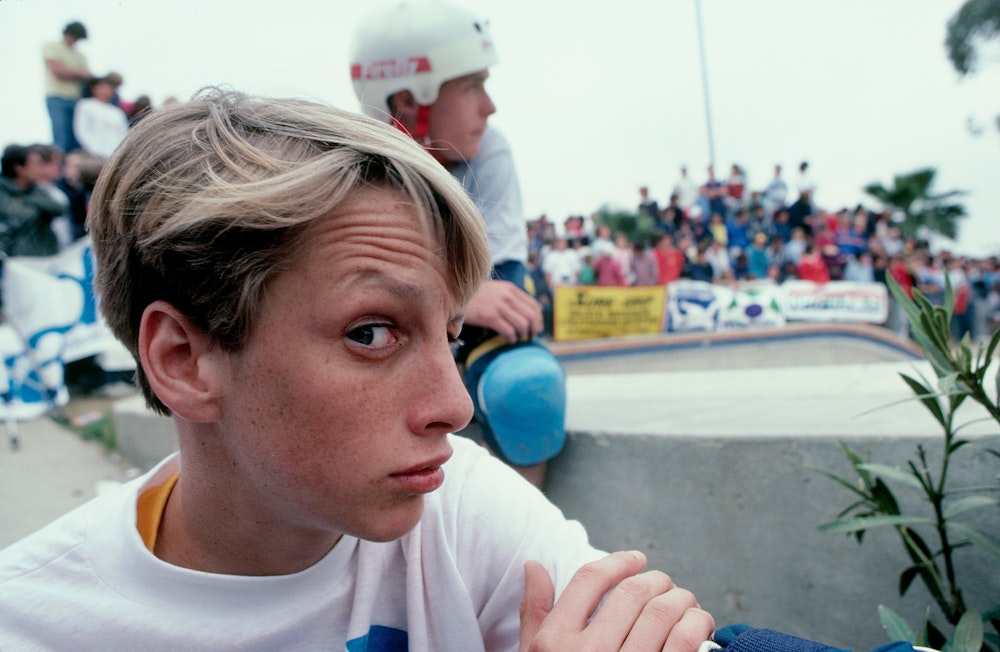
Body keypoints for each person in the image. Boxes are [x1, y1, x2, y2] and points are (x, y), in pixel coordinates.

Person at [0, 89, 714, 651]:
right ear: (183, 361)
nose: (455, 408)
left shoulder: (457, 509)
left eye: (450, 332)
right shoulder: (32, 624)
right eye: (372, 333)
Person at [349, 0, 567, 489]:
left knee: (527, 391)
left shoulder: (489, 149)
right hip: (389, 337)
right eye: (472, 86)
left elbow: (505, 288)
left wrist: (459, 299)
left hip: (460, 335)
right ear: (407, 99)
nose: (489, 105)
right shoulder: (348, 168)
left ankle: (519, 547)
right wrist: (460, 295)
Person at [0, 144, 63, 257]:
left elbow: (58, 209)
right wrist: (42, 210)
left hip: (48, 253)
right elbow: (25, 215)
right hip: (18, 259)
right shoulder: (2, 190)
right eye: (34, 164)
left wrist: (25, 199)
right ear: (19, 168)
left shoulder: (36, 188)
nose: (40, 169)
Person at [42, 21, 92, 153]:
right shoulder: (52, 46)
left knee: (76, 138)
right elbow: (57, 70)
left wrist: (69, 73)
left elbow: (88, 76)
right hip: (56, 96)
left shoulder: (80, 55)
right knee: (61, 137)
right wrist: (78, 74)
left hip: (76, 99)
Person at [74, 74, 131, 159]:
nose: (106, 90)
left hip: (114, 157)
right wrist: (95, 150)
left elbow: (124, 134)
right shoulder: (85, 105)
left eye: (110, 88)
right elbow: (82, 130)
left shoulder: (118, 113)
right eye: (103, 87)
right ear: (94, 88)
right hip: (93, 155)